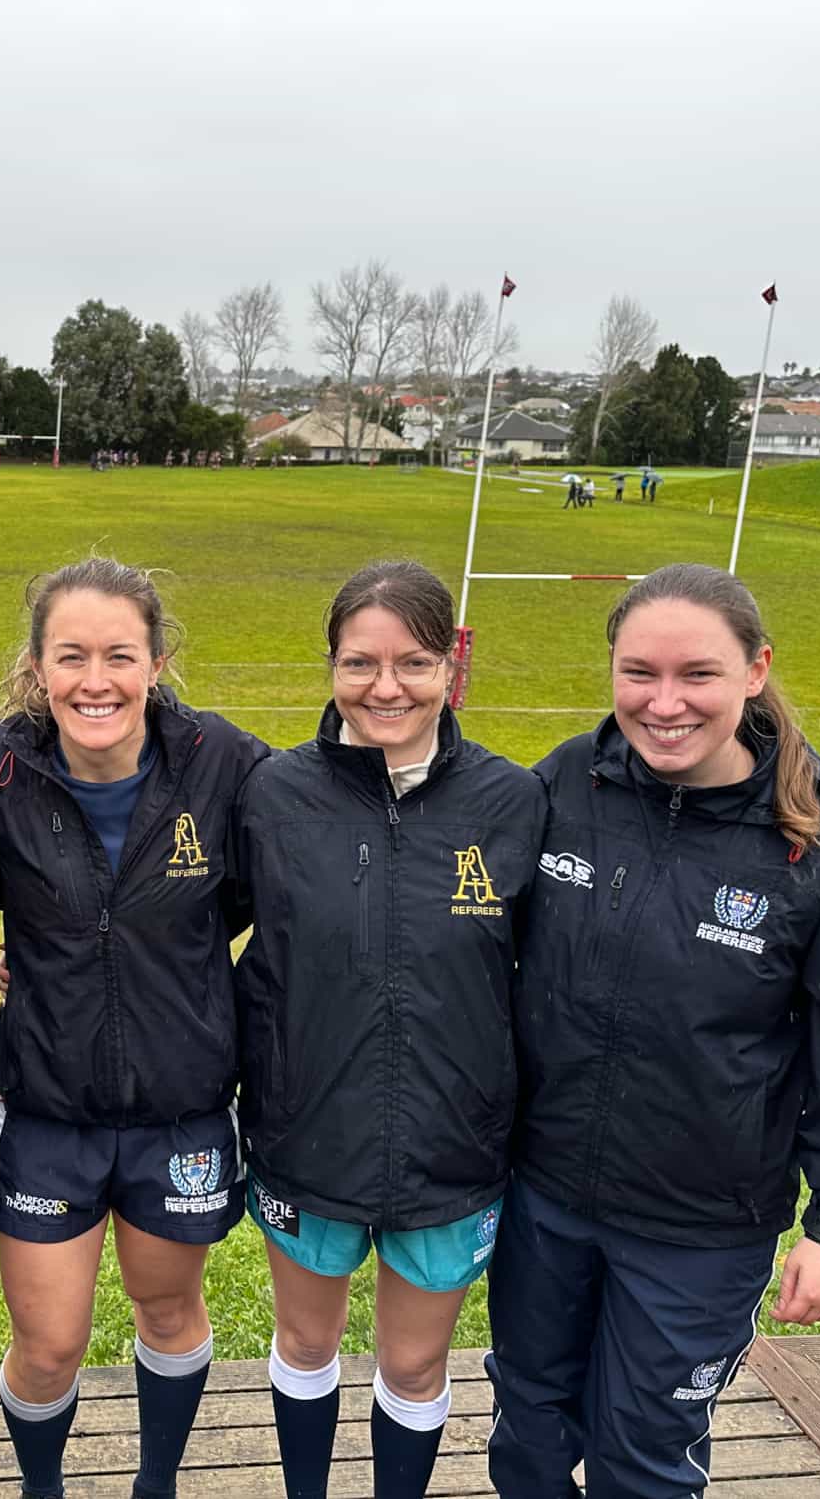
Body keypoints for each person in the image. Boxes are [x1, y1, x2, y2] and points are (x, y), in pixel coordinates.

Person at [484, 563, 820, 1498]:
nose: (663, 703)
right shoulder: (562, 783)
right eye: (639, 673)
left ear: (756, 671)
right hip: (545, 1199)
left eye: (697, 675)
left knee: (643, 1454)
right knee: (528, 1429)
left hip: (701, 1230)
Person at [233, 562, 545, 1499]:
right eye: (359, 663)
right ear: (329, 666)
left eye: (412, 662)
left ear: (453, 664)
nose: (385, 688)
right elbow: (183, 921)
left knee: (412, 1368)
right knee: (306, 1341)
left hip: (452, 1146)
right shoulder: (272, 794)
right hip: (306, 1137)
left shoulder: (514, 800)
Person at [0, 559, 270, 1499]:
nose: (96, 680)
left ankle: (157, 1482)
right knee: (49, 1346)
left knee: (168, 1308)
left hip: (181, 1110)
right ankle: (42, 1487)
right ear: (38, 665)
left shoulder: (226, 761)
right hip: (50, 1108)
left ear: (157, 661)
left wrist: (154, 966)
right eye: (71, 657)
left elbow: (262, 897)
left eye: (120, 656)